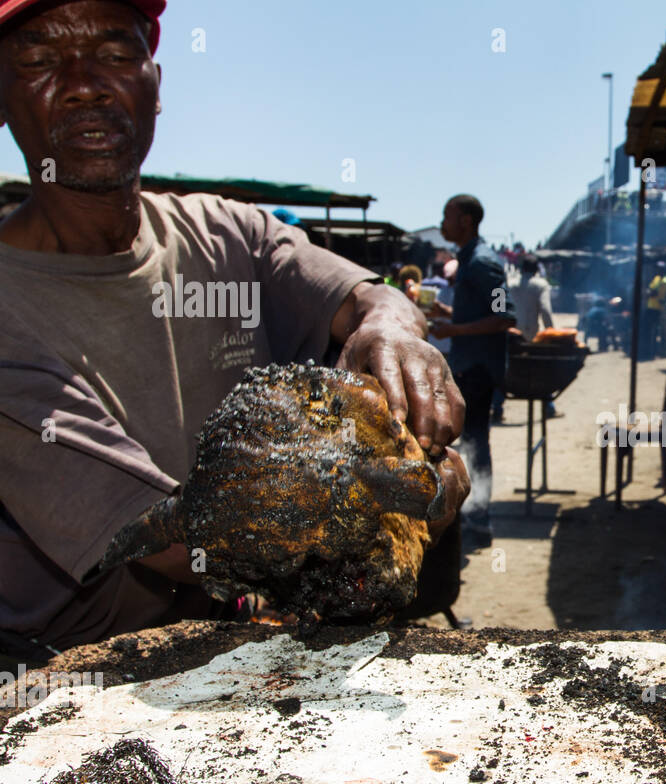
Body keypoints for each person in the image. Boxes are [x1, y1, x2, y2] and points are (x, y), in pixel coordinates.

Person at [0, 0, 468, 658]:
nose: (83, 83)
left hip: (233, 632)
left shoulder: (228, 233)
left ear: (154, 85)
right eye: (39, 61)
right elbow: (167, 541)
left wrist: (393, 330)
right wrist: (392, 505)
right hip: (70, 671)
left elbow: (370, 298)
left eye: (113, 54)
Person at [430, 194, 516, 549]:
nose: (442, 223)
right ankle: (474, 514)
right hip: (469, 365)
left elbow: (503, 317)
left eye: (447, 216)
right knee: (472, 440)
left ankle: (480, 519)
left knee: (476, 442)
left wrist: (454, 331)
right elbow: (478, 315)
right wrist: (445, 313)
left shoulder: (482, 263)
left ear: (466, 220)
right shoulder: (468, 261)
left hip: (479, 369)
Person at [510, 253, 558, 418]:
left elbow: (498, 307)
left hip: (510, 334)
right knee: (542, 368)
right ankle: (549, 406)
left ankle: (498, 408)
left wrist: (500, 328)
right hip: (531, 334)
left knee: (506, 369)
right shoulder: (541, 285)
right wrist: (551, 332)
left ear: (521, 269)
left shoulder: (508, 283)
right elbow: (545, 309)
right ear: (537, 269)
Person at [642, 261, 666, 360]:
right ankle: (649, 352)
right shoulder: (657, 278)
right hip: (650, 307)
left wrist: (649, 292)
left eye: (660, 268)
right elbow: (649, 290)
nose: (658, 270)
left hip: (658, 308)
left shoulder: (665, 280)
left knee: (656, 332)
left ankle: (654, 352)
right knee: (648, 331)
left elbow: (653, 292)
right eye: (657, 268)